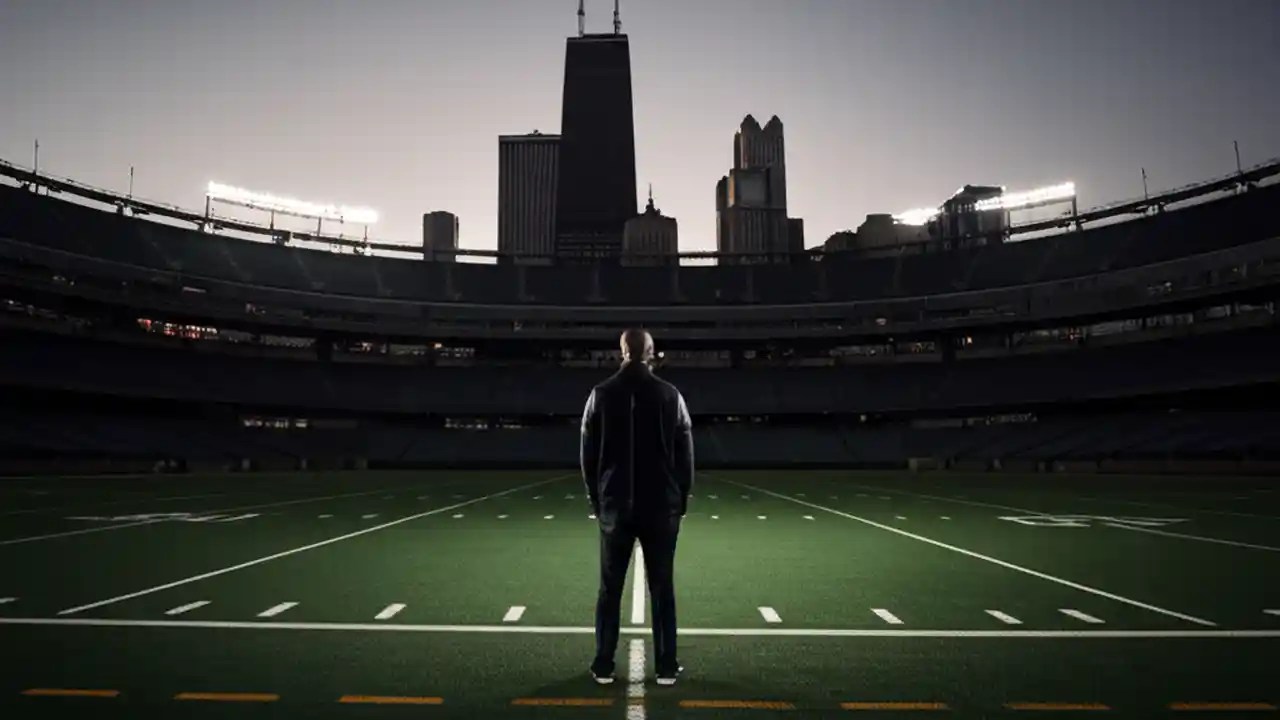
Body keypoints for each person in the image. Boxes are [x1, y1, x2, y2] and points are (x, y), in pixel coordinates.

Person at [580, 328, 694, 686]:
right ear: (651, 352)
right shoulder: (670, 394)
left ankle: (603, 664)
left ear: (622, 352)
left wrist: (596, 498)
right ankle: (666, 665)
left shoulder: (599, 395)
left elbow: (587, 454)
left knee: (609, 587)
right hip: (662, 507)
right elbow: (685, 453)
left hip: (615, 505)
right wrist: (682, 498)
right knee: (662, 587)